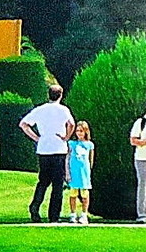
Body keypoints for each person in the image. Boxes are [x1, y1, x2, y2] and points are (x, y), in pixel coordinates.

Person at [19, 83, 74, 223]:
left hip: (43, 149)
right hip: (58, 148)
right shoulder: (63, 110)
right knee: (57, 184)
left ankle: (35, 206)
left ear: (48, 95)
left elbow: (23, 124)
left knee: (43, 181)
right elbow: (71, 124)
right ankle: (53, 215)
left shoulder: (40, 110)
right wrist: (66, 137)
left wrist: (36, 137)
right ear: (60, 95)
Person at [65, 121, 95, 224]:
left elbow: (90, 160)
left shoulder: (89, 145)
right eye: (77, 131)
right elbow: (68, 157)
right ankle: (73, 214)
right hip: (74, 172)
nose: (79, 133)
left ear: (86, 132)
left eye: (81, 131)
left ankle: (84, 214)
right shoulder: (72, 144)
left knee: (84, 193)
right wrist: (67, 172)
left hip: (84, 173)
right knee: (73, 193)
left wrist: (89, 172)